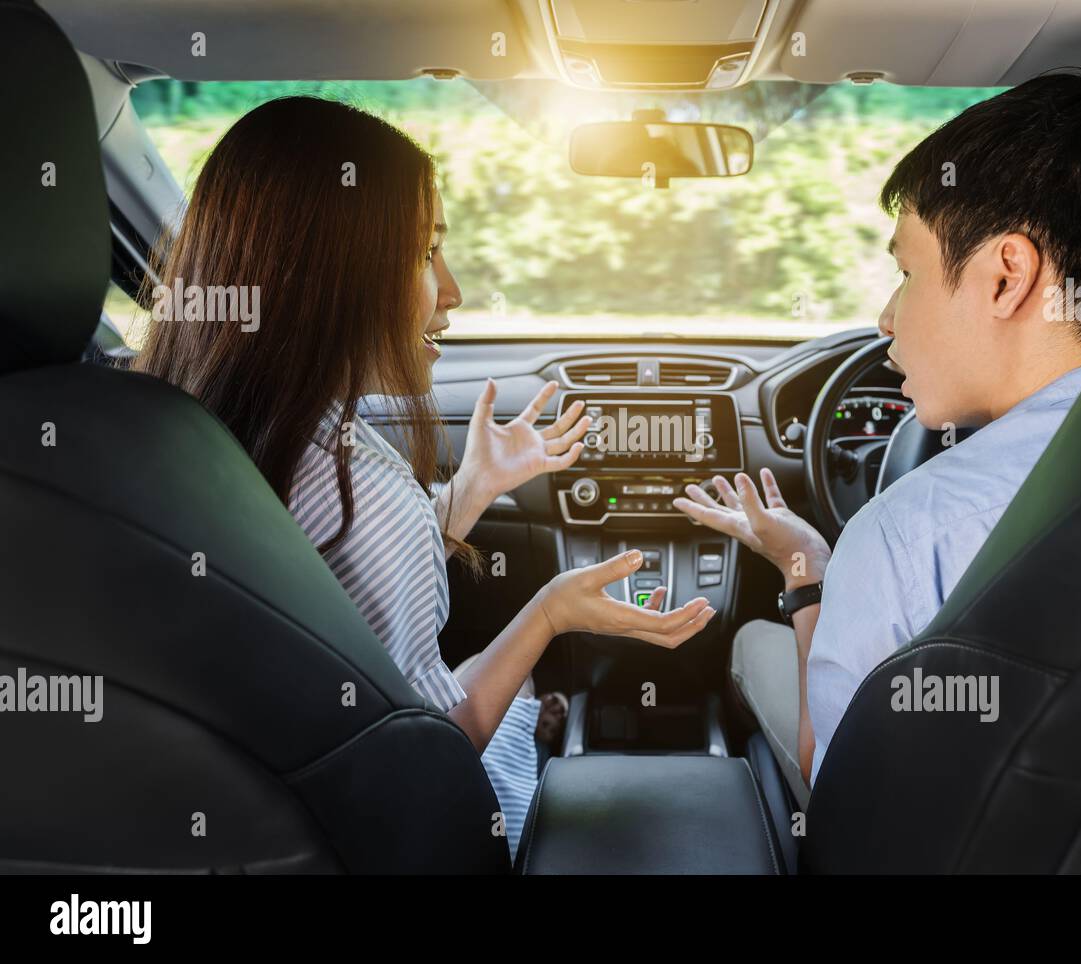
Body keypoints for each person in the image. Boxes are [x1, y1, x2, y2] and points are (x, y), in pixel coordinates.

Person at [134, 96, 716, 856]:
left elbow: (317, 601)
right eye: (424, 253)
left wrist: (468, 493)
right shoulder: (358, 485)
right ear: (334, 276)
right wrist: (547, 613)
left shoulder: (164, 430)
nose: (452, 290)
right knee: (516, 709)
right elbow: (434, 750)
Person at [673, 73, 1081, 805]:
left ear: (1005, 277)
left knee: (752, 647)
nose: (887, 317)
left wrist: (809, 574)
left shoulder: (906, 534)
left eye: (906, 271)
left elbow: (839, 787)